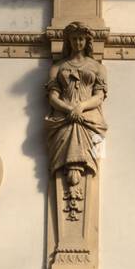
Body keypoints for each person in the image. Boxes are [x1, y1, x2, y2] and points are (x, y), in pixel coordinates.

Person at [45, 22, 108, 190]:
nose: (78, 42)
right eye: (74, 39)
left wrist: (81, 107)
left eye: (81, 39)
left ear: (87, 41)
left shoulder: (98, 67)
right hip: (63, 117)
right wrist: (69, 109)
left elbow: (99, 96)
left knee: (94, 152)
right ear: (68, 41)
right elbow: (52, 97)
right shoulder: (58, 67)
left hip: (90, 118)